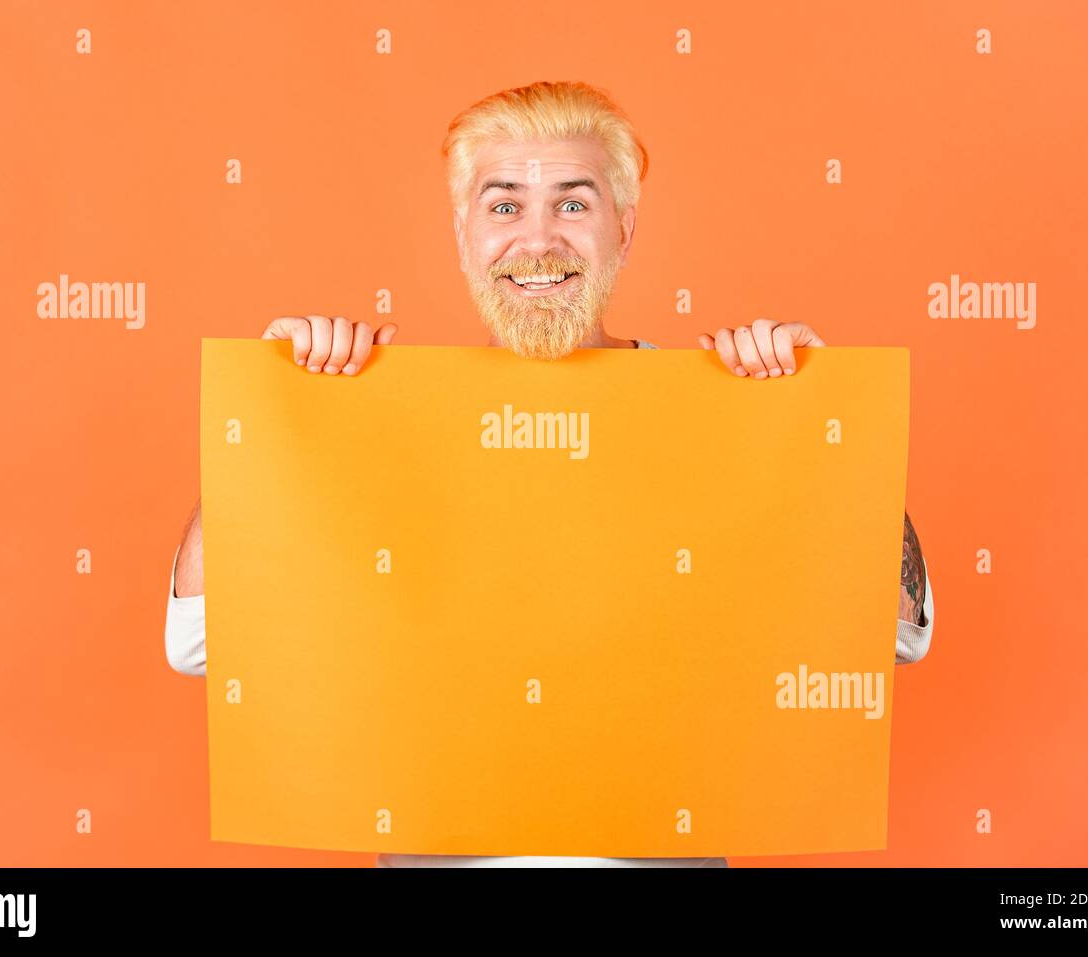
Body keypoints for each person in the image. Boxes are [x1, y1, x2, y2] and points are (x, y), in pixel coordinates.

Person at [165, 80, 935, 868]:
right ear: (462, 235)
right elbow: (199, 641)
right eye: (504, 206)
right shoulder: (376, 422)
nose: (537, 241)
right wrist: (269, 417)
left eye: (573, 204)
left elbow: (895, 629)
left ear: (625, 231)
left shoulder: (722, 418)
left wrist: (825, 426)